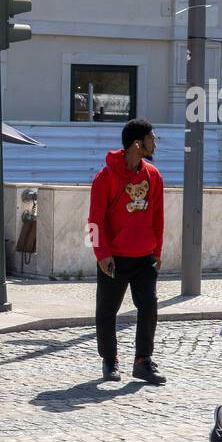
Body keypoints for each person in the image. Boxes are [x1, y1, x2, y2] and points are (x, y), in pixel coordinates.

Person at [88, 117, 165, 385]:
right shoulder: (105, 177)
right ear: (137, 143)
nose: (155, 142)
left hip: (144, 258)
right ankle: (110, 361)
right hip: (114, 259)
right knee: (107, 311)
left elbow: (158, 216)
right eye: (152, 138)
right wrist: (101, 255)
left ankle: (143, 361)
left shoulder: (153, 176)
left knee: (149, 308)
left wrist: (157, 252)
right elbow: (94, 221)